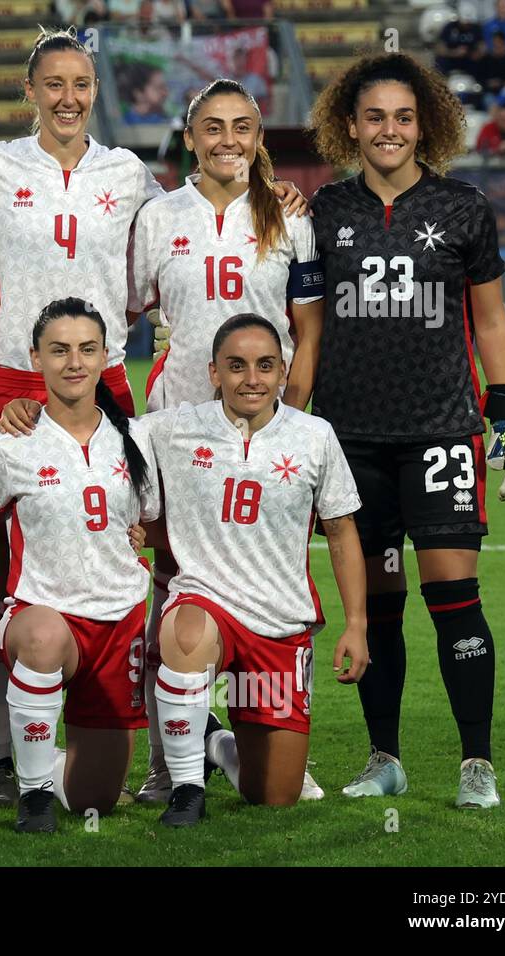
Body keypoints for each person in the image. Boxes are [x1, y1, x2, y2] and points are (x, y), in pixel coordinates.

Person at [0, 28, 306, 806]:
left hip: (105, 381)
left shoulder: (130, 175)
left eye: (82, 83)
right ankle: (0, 761)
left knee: (132, 556)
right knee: (6, 575)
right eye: (55, 84)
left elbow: (149, 280)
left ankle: (163, 743)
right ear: (31, 91)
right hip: (15, 380)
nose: (69, 97)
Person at [305, 52, 505, 809]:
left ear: (424, 122)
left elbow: (491, 320)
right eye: (374, 117)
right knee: (381, 605)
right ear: (350, 125)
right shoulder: (324, 212)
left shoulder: (464, 207)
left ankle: (477, 763)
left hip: (440, 432)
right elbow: (309, 327)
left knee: (454, 596)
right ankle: (385, 757)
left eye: (403, 116)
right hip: (350, 442)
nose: (389, 130)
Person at [135, 314, 368, 825]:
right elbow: (96, 433)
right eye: (236, 366)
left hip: (280, 626)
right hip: (207, 604)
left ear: (284, 371)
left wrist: (356, 625)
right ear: (213, 372)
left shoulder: (314, 436)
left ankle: (215, 741)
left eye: (265, 366)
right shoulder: (173, 428)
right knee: (186, 633)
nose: (252, 379)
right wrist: (27, 410)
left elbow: (342, 530)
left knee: (275, 795)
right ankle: (186, 789)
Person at [0, 298, 159, 832]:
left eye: (87, 349)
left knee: (97, 799)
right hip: (42, 615)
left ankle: (49, 765)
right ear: (35, 358)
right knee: (43, 638)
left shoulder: (137, 438)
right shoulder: (10, 442)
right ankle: (34, 794)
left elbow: (158, 524)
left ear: (105, 356)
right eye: (60, 350)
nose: (74, 362)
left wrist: (141, 534)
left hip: (118, 624)